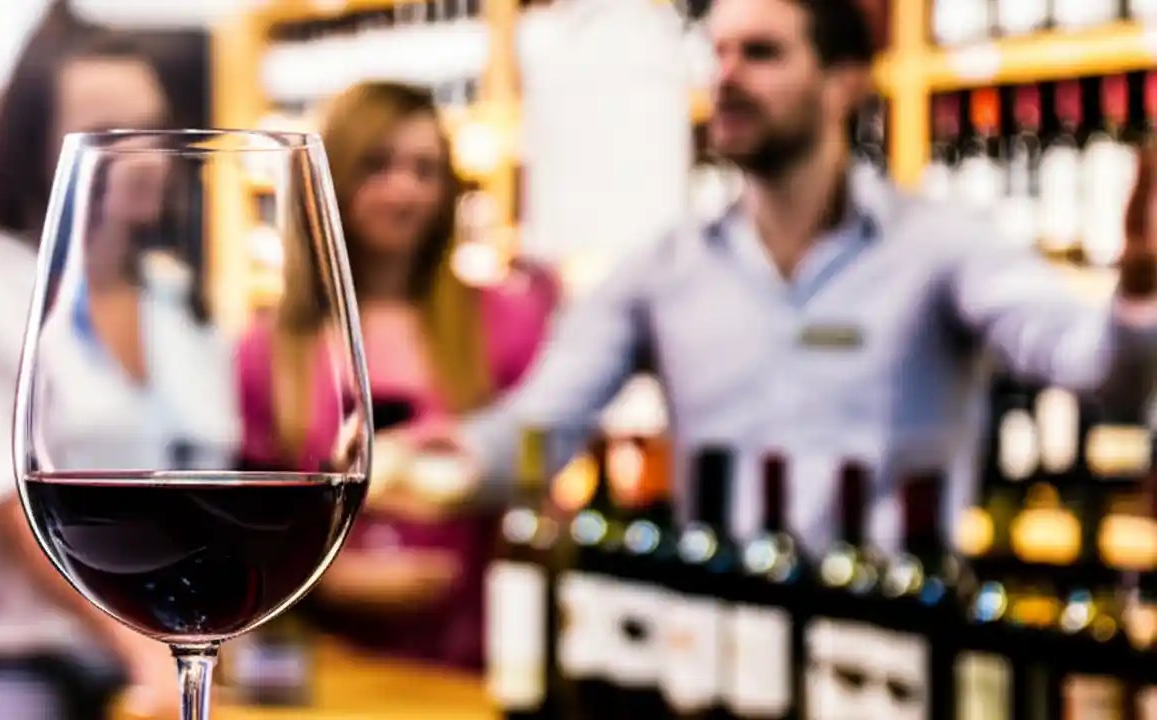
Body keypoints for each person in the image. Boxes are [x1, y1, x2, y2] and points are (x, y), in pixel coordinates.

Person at [460, 0, 1157, 551]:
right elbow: (540, 428)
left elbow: (1102, 368)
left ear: (845, 82)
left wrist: (1139, 299)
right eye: (719, 52)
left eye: (761, 53)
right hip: (717, 642)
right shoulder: (662, 269)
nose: (726, 76)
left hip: (898, 646)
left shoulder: (940, 248)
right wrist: (430, 462)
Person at [0, 31, 183, 720]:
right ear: (33, 141)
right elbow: (5, 504)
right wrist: (143, 653)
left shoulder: (182, 305)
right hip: (22, 664)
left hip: (181, 652)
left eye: (153, 129)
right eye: (107, 131)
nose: (139, 154)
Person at [237, 81, 558, 670]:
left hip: (476, 657)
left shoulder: (507, 322)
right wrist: (335, 581)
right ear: (332, 179)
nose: (404, 190)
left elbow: (541, 488)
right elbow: (250, 529)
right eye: (378, 166)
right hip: (328, 664)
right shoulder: (266, 352)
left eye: (425, 170)